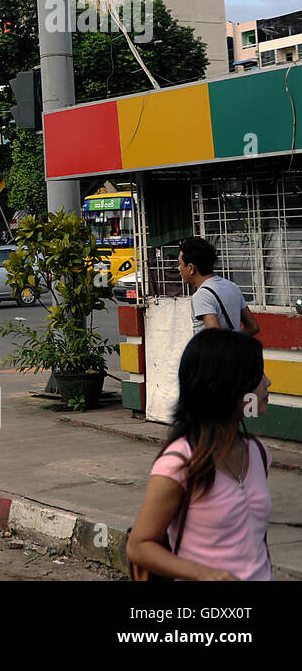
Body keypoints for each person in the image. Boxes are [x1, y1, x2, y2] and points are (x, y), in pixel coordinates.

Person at [126, 330, 273, 581]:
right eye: (258, 375)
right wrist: (209, 575)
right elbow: (138, 546)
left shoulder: (258, 454)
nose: (267, 382)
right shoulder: (179, 463)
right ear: (230, 386)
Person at [178, 236, 260, 336]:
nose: (179, 268)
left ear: (191, 268)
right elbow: (253, 327)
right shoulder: (232, 286)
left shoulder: (202, 296)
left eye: (180, 264)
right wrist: (234, 342)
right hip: (233, 351)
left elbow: (215, 338)